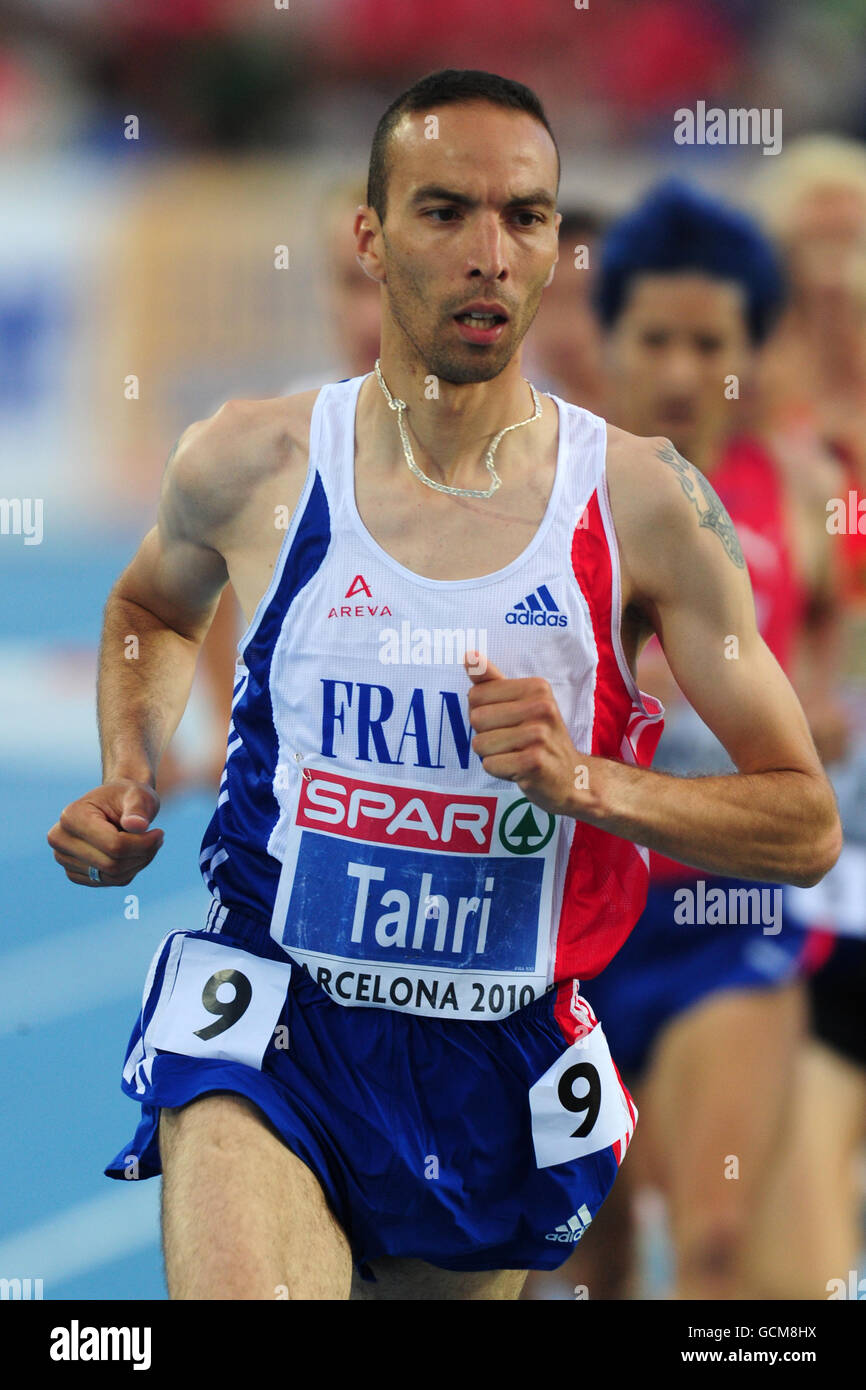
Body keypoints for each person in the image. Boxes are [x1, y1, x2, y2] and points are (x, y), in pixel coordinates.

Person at [46, 70, 841, 1302]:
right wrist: (130, 776)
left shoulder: (645, 506)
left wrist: (583, 781)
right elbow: (152, 603)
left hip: (493, 1062)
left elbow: (799, 823)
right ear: (369, 237)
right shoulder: (250, 459)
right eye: (442, 212)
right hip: (276, 1024)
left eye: (523, 218)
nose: (488, 253)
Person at [526, 181, 846, 1301]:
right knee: (579, 1260)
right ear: (603, 340)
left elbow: (829, 678)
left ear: (753, 351)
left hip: (727, 919)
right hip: (567, 926)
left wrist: (817, 712)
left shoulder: (804, 493)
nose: (676, 369)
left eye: (707, 342)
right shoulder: (548, 491)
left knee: (712, 1238)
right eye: (651, 337)